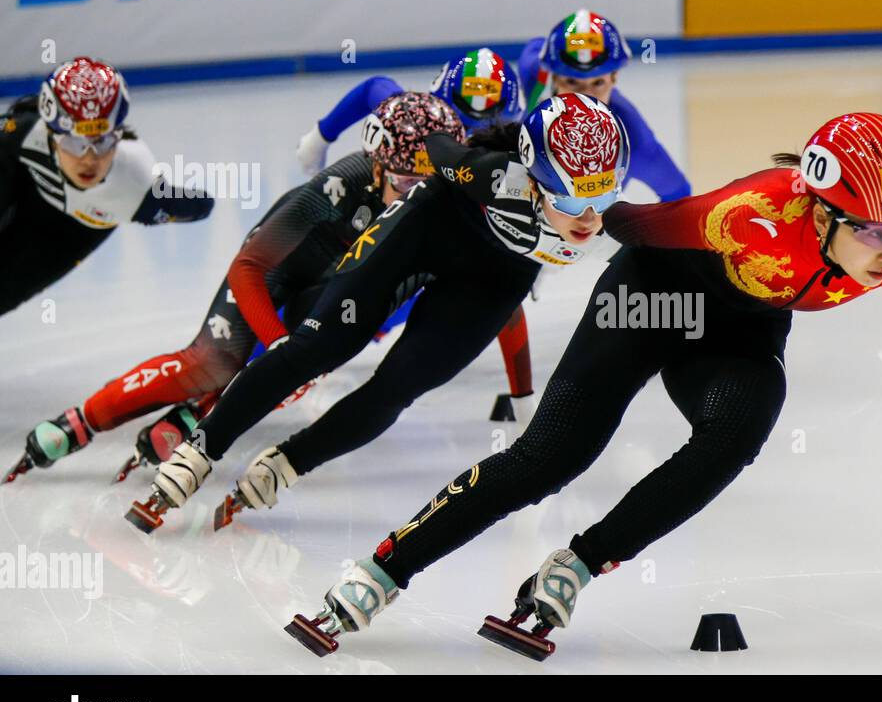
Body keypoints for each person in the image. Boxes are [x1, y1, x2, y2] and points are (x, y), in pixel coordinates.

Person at [285, 112, 882, 660]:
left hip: (738, 335)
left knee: (745, 422)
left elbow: (862, 258)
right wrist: (546, 204)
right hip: (648, 301)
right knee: (550, 458)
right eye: (875, 232)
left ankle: (577, 565)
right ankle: (383, 567)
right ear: (820, 213)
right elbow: (635, 223)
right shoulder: (749, 213)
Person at [131, 93, 632, 536]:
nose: (590, 218)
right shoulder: (494, 176)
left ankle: (287, 464)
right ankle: (201, 449)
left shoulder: (615, 223)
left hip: (491, 281)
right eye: (569, 198)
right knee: (317, 346)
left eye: (602, 196)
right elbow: (439, 150)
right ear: (535, 179)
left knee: (398, 388)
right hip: (425, 228)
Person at [4, 93, 463, 485]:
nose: (414, 197)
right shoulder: (341, 185)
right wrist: (276, 341)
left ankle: (197, 414)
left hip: (337, 284)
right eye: (404, 183)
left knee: (312, 359)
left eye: (430, 184)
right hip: (272, 271)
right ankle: (81, 422)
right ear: (378, 168)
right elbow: (250, 265)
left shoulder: (445, 206)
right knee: (211, 361)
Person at [296, 49, 536, 418]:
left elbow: (374, 88)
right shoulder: (417, 117)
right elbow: (375, 89)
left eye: (477, 137)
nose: (461, 142)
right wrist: (321, 135)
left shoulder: (500, 170)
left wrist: (322, 135)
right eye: (454, 128)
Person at [0, 56, 212, 317]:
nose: (89, 159)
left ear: (118, 137)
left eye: (101, 142)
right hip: (22, 180)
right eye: (75, 144)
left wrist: (169, 203)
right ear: (51, 134)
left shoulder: (137, 187)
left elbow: (202, 206)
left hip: (68, 232)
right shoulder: (22, 131)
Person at [522, 8, 690, 202]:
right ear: (554, 77)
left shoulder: (634, 142)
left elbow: (678, 196)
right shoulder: (534, 74)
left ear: (614, 78)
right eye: (572, 82)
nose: (585, 97)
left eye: (598, 83)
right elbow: (535, 46)